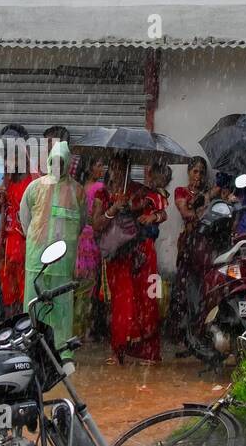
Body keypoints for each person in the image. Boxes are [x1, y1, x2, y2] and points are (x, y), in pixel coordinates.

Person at [91, 153, 161, 366]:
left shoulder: (141, 192)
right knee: (122, 304)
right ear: (110, 169)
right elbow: (96, 225)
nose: (119, 172)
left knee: (147, 302)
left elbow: (161, 213)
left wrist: (149, 216)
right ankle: (118, 349)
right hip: (117, 256)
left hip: (141, 254)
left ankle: (147, 352)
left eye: (122, 167)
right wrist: (114, 209)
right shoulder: (103, 194)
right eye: (115, 167)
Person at [20, 141, 86, 361]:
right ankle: (31, 348)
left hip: (62, 263)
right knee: (33, 305)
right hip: (36, 260)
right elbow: (25, 219)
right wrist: (35, 240)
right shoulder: (35, 187)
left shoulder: (77, 190)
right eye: (54, 161)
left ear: (67, 163)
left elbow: (81, 223)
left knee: (62, 307)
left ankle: (62, 351)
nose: (57, 165)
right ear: (49, 161)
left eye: (61, 161)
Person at [171, 156, 216, 350]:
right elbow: (186, 213)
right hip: (189, 245)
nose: (198, 175)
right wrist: (203, 203)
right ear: (189, 172)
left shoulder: (207, 193)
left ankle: (200, 334)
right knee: (183, 292)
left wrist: (205, 199)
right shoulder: (181, 191)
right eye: (195, 171)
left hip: (204, 245)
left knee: (203, 291)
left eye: (201, 172)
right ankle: (182, 337)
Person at [0, 124, 35, 317]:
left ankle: (24, 330)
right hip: (8, 247)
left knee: (25, 295)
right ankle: (12, 332)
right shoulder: (7, 181)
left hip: (26, 246)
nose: (7, 160)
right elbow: (3, 213)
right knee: (9, 296)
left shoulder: (34, 182)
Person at [73, 155, 107, 340]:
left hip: (77, 237)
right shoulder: (100, 189)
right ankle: (85, 330)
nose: (103, 168)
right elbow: (97, 219)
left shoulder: (78, 188)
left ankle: (75, 329)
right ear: (91, 168)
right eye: (99, 164)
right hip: (91, 239)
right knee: (90, 286)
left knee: (77, 286)